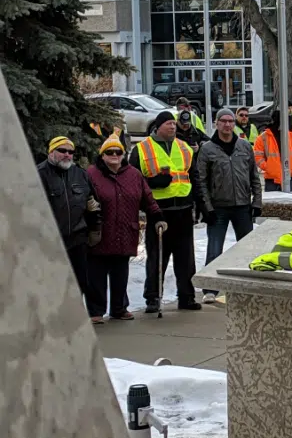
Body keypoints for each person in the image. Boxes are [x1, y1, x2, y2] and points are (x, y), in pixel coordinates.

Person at [130, 111, 203, 312]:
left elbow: (194, 177)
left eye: (174, 123)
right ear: (158, 126)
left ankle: (186, 296)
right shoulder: (142, 149)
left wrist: (201, 204)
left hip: (183, 209)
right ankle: (153, 297)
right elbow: (132, 181)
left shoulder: (184, 148)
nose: (173, 127)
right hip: (158, 211)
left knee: (186, 258)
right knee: (156, 257)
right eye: (168, 123)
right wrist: (152, 183)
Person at [86, 135, 165, 323]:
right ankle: (96, 311)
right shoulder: (91, 174)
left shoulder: (134, 175)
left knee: (120, 273)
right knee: (96, 275)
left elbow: (147, 198)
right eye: (109, 152)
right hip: (99, 232)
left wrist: (157, 217)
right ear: (102, 155)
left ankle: (119, 308)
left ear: (123, 154)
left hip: (125, 231)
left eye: (118, 152)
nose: (114, 155)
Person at [197, 109, 262, 303]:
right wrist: (206, 208)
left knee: (246, 249)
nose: (227, 125)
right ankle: (210, 289)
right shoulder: (207, 149)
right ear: (216, 123)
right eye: (223, 121)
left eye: (230, 121)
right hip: (218, 208)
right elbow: (201, 181)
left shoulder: (243, 146)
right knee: (214, 248)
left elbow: (254, 176)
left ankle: (248, 286)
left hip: (242, 206)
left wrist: (257, 201)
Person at [38, 136, 102, 308]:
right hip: (50, 242)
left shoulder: (80, 174)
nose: (67, 155)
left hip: (77, 239)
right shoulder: (39, 175)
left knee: (79, 282)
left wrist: (95, 228)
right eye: (62, 150)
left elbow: (92, 203)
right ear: (51, 151)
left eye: (70, 152)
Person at [254, 111, 292, 192]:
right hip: (271, 179)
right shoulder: (263, 137)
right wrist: (268, 167)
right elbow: (257, 157)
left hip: (288, 176)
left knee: (287, 202)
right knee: (272, 203)